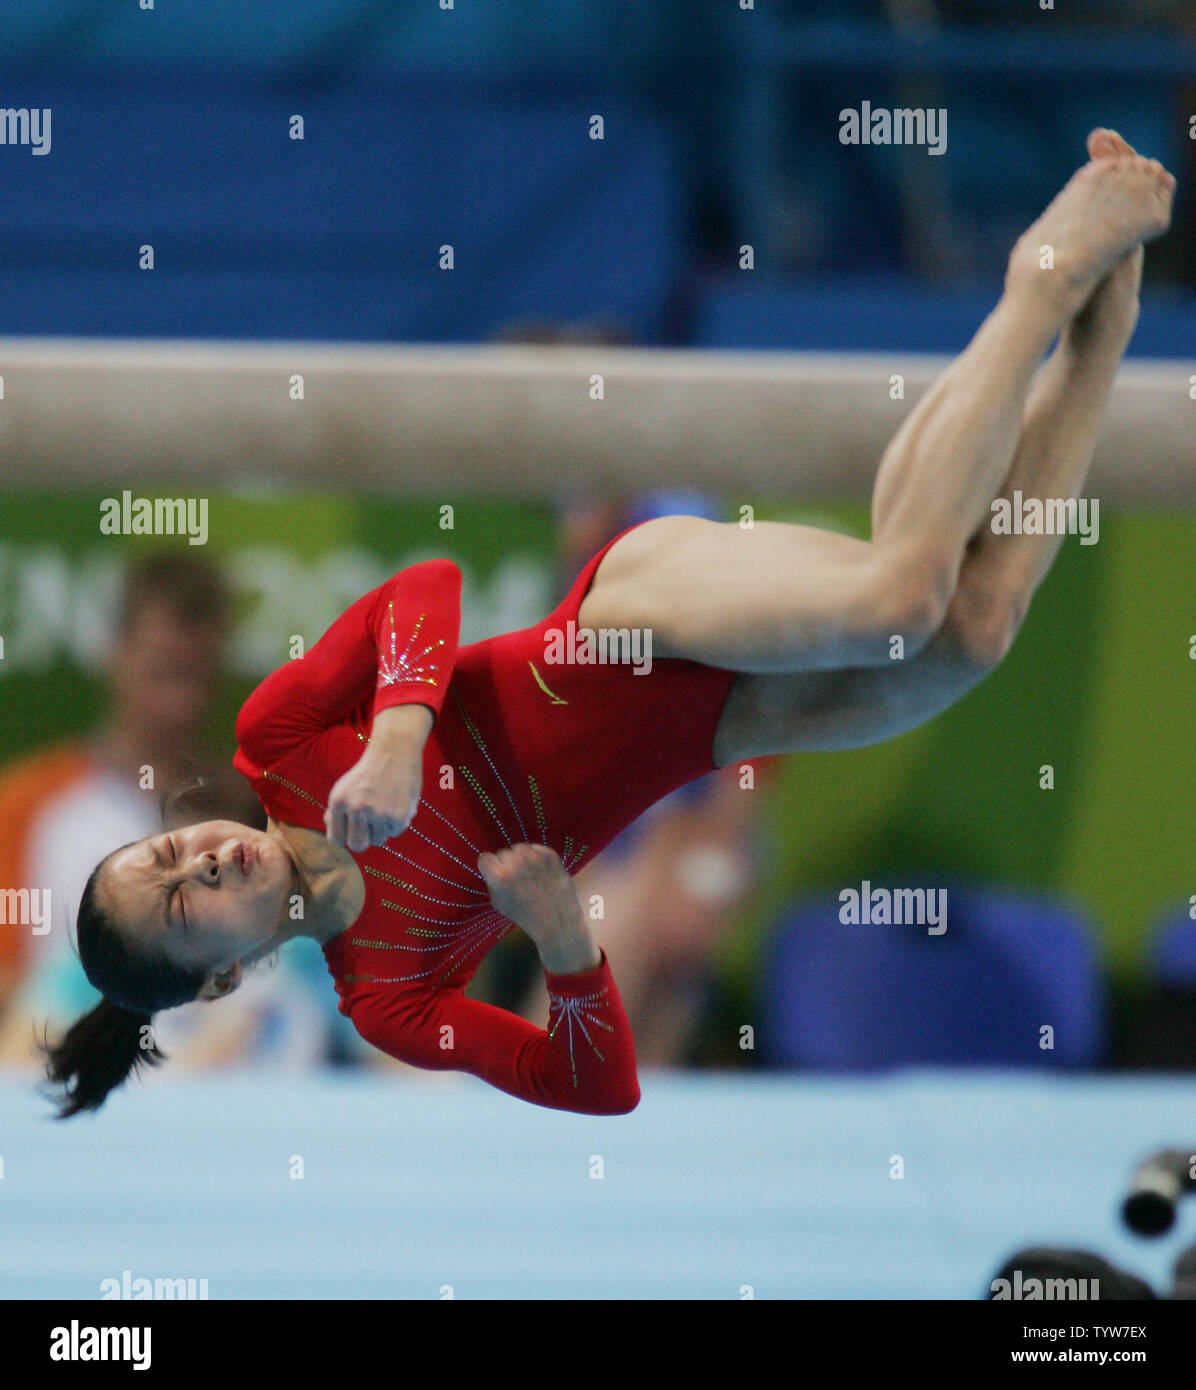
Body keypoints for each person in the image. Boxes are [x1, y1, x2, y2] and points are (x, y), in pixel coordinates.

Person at [42, 130, 1174, 1118]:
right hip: (715, 725)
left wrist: (395, 737)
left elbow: (424, 584)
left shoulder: (276, 746)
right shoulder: (386, 1000)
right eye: (186, 899)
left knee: (899, 598)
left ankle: (1042, 271)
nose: (197, 858)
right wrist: (563, 938)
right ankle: (1098, 324)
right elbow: (594, 1086)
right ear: (219, 981)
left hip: (624, 617)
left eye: (165, 853)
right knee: (971, 631)